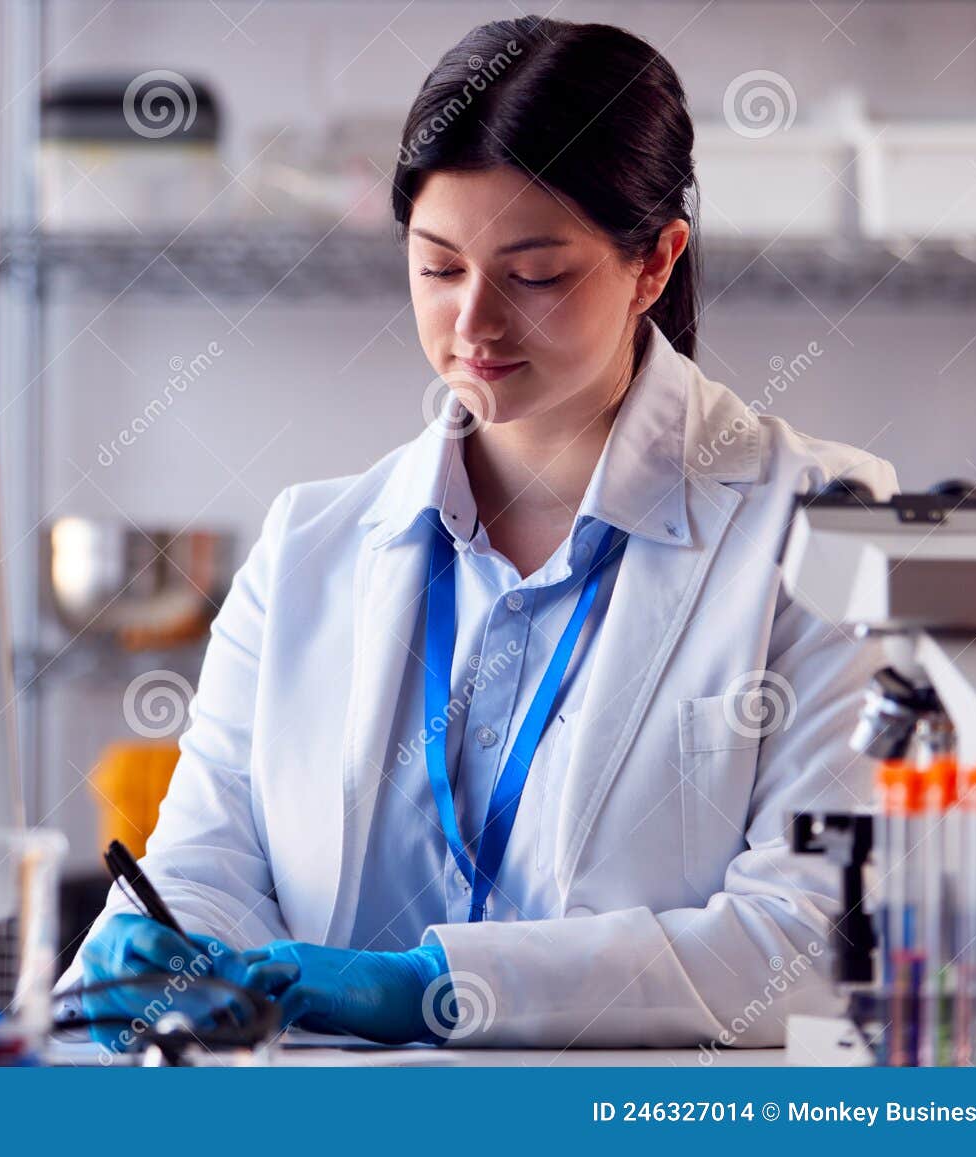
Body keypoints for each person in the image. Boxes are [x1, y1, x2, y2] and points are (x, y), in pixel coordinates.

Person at [57, 16, 897, 1049]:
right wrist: (163, 944)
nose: (474, 325)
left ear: (654, 263)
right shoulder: (310, 543)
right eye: (438, 267)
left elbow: (814, 942)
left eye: (535, 274)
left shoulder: (819, 522)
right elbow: (205, 861)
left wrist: (432, 985)